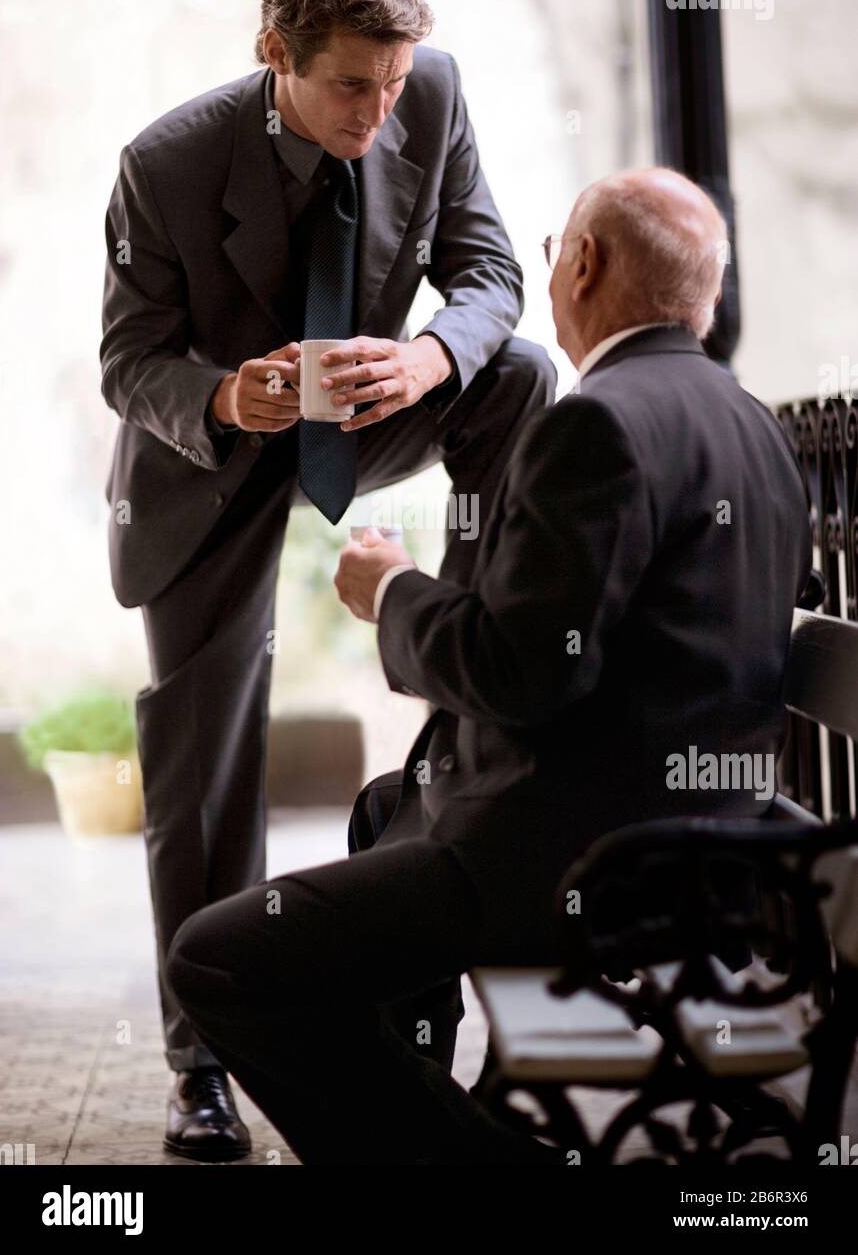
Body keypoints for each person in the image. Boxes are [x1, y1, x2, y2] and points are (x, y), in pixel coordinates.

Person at [165, 167, 813, 1165]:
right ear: (705, 292)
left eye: (555, 252)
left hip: (576, 861)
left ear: (584, 264)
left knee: (219, 960)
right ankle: (426, 1097)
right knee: (390, 803)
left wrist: (389, 589)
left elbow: (519, 671)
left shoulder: (593, 424)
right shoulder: (752, 425)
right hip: (700, 843)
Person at [99, 0, 554, 1159]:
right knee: (202, 765)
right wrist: (223, 396)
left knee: (513, 368)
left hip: (374, 413)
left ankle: (483, 639)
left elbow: (492, 275)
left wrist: (423, 355)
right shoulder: (165, 164)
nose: (378, 110)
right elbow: (126, 360)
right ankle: (201, 1068)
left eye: (395, 82)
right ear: (275, 55)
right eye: (352, 85)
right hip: (213, 463)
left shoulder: (430, 92)